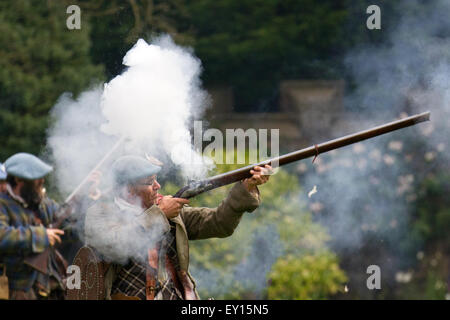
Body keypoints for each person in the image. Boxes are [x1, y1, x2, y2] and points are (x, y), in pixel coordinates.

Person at [84, 155, 271, 300]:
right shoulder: (100, 215)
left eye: (156, 179)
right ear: (129, 189)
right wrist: (159, 216)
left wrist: (245, 188)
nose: (158, 186)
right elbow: (115, 247)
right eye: (150, 182)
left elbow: (219, 223)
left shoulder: (169, 211)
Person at [0, 153, 67, 299]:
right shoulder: (2, 204)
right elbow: (2, 235)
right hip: (14, 290)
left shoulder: (43, 204)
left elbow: (67, 224)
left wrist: (87, 199)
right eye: (36, 178)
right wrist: (42, 236)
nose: (42, 180)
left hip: (46, 286)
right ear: (18, 180)